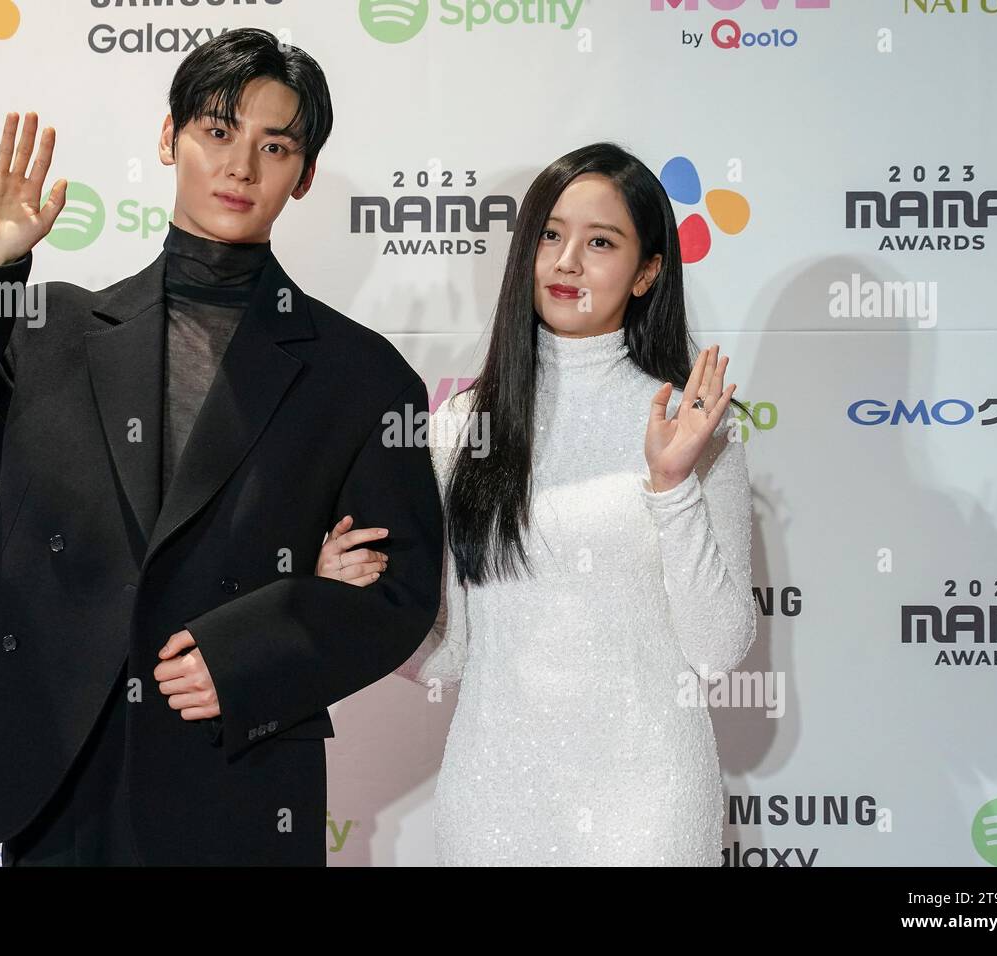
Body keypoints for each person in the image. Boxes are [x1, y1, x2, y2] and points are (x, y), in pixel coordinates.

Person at [0, 28, 443, 866]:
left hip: (231, 764)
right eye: (218, 131)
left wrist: (248, 655)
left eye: (274, 146)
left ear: (305, 174)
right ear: (169, 137)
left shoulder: (360, 375)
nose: (240, 166)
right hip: (53, 769)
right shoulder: (54, 331)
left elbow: (397, 590)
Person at [323, 142, 758, 865]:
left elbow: (719, 649)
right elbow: (450, 650)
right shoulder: (461, 428)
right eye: (550, 235)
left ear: (648, 271)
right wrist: (358, 599)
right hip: (494, 802)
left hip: (651, 801)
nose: (567, 262)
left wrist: (674, 485)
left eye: (601, 242)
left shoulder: (695, 428)